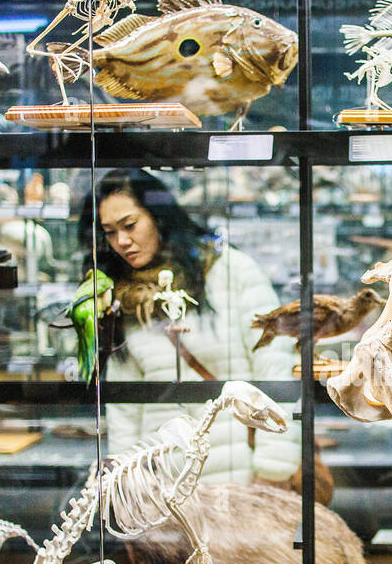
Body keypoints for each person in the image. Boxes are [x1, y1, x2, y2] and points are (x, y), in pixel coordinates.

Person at [78, 169, 300, 486]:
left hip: (243, 479)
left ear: (158, 216)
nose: (122, 242)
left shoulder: (227, 270)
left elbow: (276, 367)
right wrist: (129, 490)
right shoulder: (119, 297)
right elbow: (126, 405)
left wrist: (274, 469)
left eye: (130, 226)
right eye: (110, 232)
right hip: (166, 488)